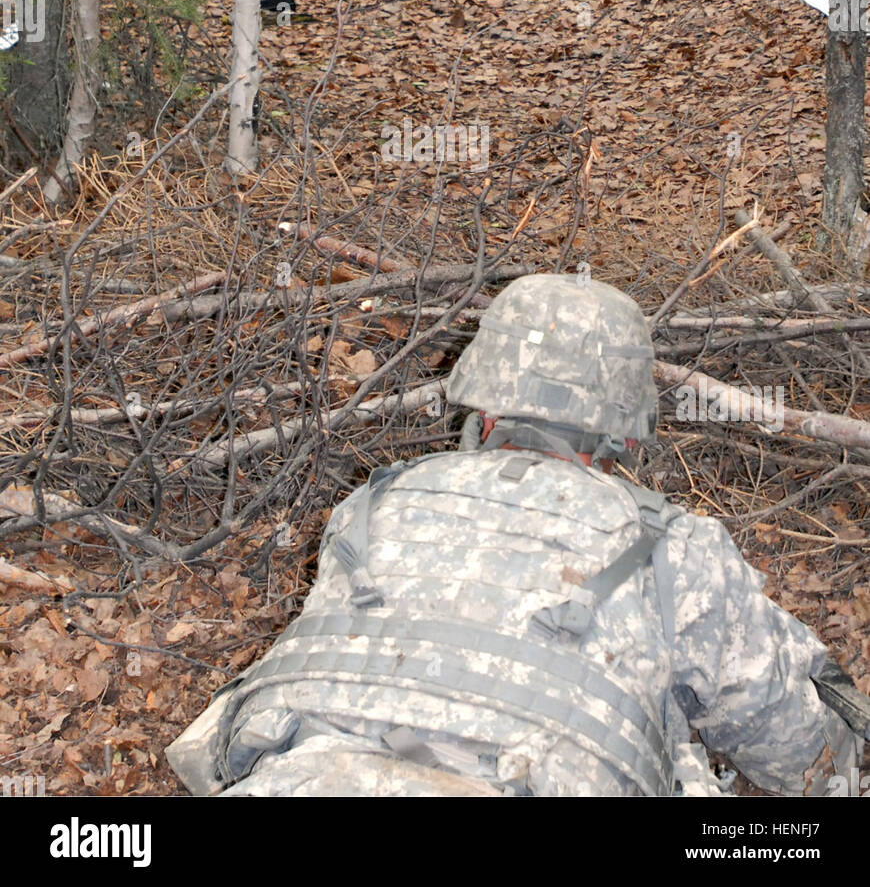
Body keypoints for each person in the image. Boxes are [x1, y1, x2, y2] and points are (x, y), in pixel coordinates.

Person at [166, 274, 862, 797]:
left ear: (481, 400)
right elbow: (799, 754)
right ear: (625, 429)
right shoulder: (675, 549)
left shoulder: (376, 505)